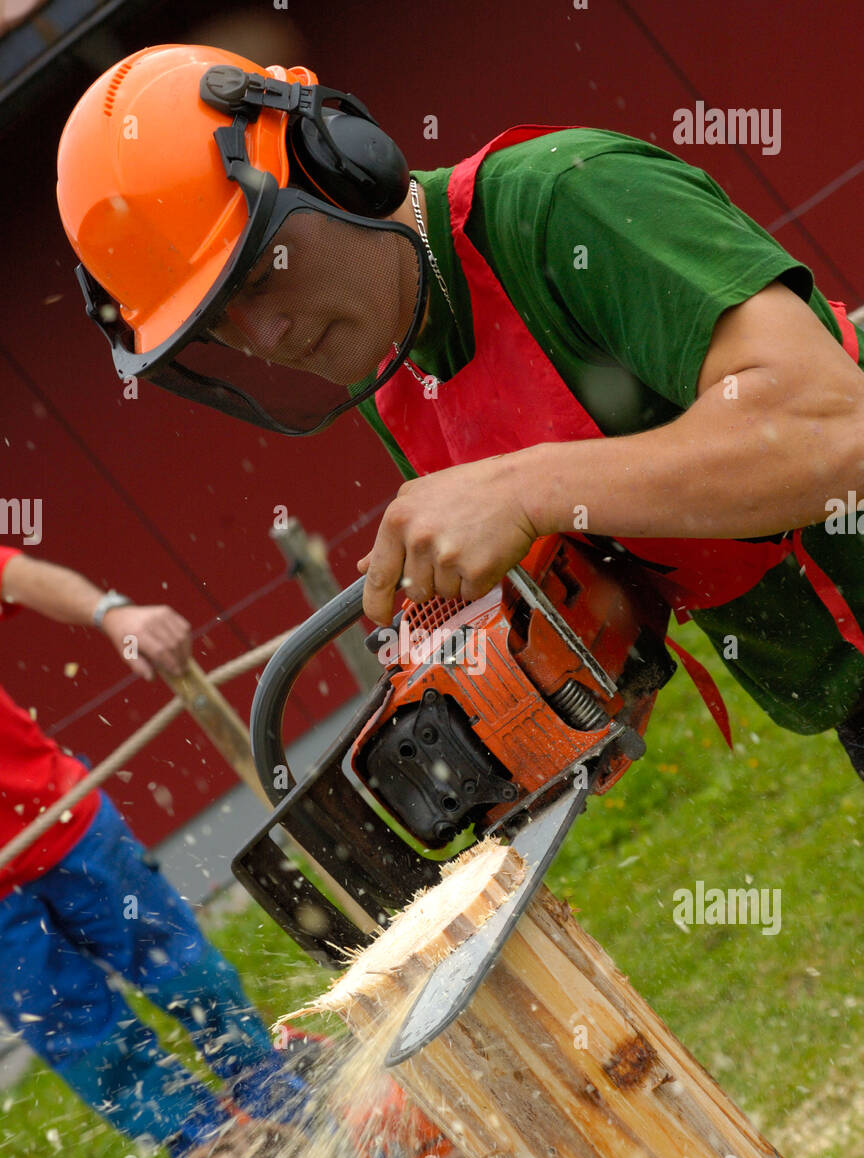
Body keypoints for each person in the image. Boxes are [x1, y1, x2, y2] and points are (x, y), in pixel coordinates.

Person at [55, 45, 864, 773]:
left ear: (336, 164)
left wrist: (523, 488)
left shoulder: (565, 202)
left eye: (263, 272)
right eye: (218, 320)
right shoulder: (392, 362)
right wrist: (517, 667)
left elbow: (835, 432)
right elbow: (608, 549)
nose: (265, 334)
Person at [0, 546, 330, 1158]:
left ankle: (281, 1097)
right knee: (89, 1048)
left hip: (65, 824)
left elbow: (16, 576)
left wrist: (111, 612)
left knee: (189, 976)